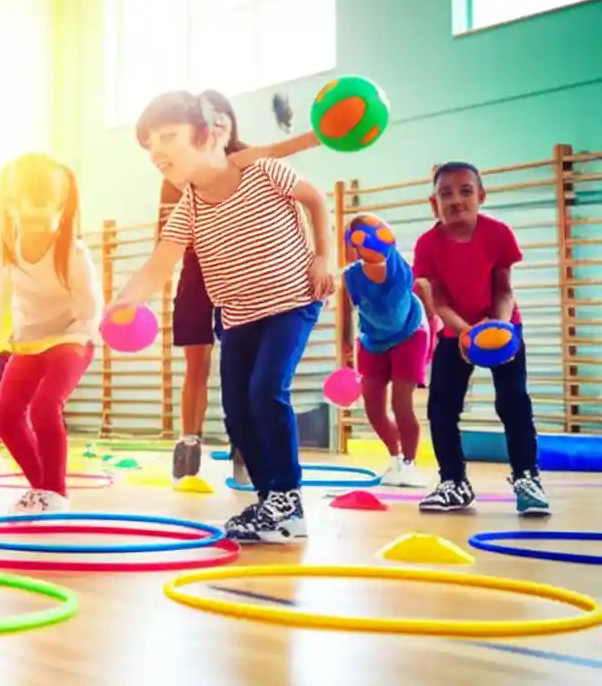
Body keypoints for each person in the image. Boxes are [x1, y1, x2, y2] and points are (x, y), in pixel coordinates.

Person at [113, 90, 334, 543]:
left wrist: (323, 256)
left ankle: (289, 504)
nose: (156, 150)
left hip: (291, 300)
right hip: (238, 316)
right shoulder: (188, 207)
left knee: (267, 389)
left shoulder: (262, 169)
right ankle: (269, 501)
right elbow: (159, 264)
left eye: (168, 137)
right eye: (149, 144)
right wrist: (122, 305)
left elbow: (316, 200)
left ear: (211, 134)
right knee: (236, 410)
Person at [156, 91, 319, 484]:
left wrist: (316, 257)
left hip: (248, 278)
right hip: (198, 273)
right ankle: (189, 441)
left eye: (224, 116)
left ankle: (249, 457)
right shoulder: (178, 174)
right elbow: (163, 241)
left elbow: (298, 184)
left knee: (255, 380)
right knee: (201, 364)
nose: (219, 123)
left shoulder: (249, 160)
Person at [413, 161, 548, 515]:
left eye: (466, 191)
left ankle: (527, 478)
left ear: (481, 196)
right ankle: (453, 482)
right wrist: (465, 331)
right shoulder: (427, 244)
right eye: (446, 193)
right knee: (441, 407)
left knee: (514, 401)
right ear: (433, 203)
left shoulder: (498, 233)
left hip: (502, 327)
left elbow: (504, 289)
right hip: (456, 331)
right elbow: (438, 300)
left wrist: (499, 329)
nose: (456, 199)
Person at [0, 153, 102, 513]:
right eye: (22, 200)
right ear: (10, 205)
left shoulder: (73, 252)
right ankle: (42, 490)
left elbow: (89, 307)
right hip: (29, 340)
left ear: (60, 203)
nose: (31, 208)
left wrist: (85, 337)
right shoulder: (6, 249)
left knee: (45, 407)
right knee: (6, 416)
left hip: (71, 337)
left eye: (42, 200)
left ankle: (56, 491)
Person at [342, 214, 430, 487]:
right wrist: (346, 347)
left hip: (409, 334)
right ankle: (395, 459)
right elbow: (348, 311)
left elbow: (424, 288)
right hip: (372, 340)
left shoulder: (398, 266)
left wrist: (434, 335)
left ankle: (410, 464)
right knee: (373, 408)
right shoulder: (350, 277)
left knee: (401, 403)